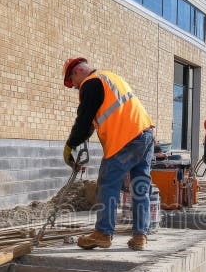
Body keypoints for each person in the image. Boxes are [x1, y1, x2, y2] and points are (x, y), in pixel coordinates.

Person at [61, 57, 154, 251]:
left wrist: (70, 145)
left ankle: (103, 233)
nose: (76, 88)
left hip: (124, 138)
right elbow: (96, 119)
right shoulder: (110, 78)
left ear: (77, 72)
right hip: (145, 133)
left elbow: (84, 118)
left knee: (107, 183)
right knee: (140, 187)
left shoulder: (91, 83)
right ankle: (140, 236)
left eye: (73, 83)